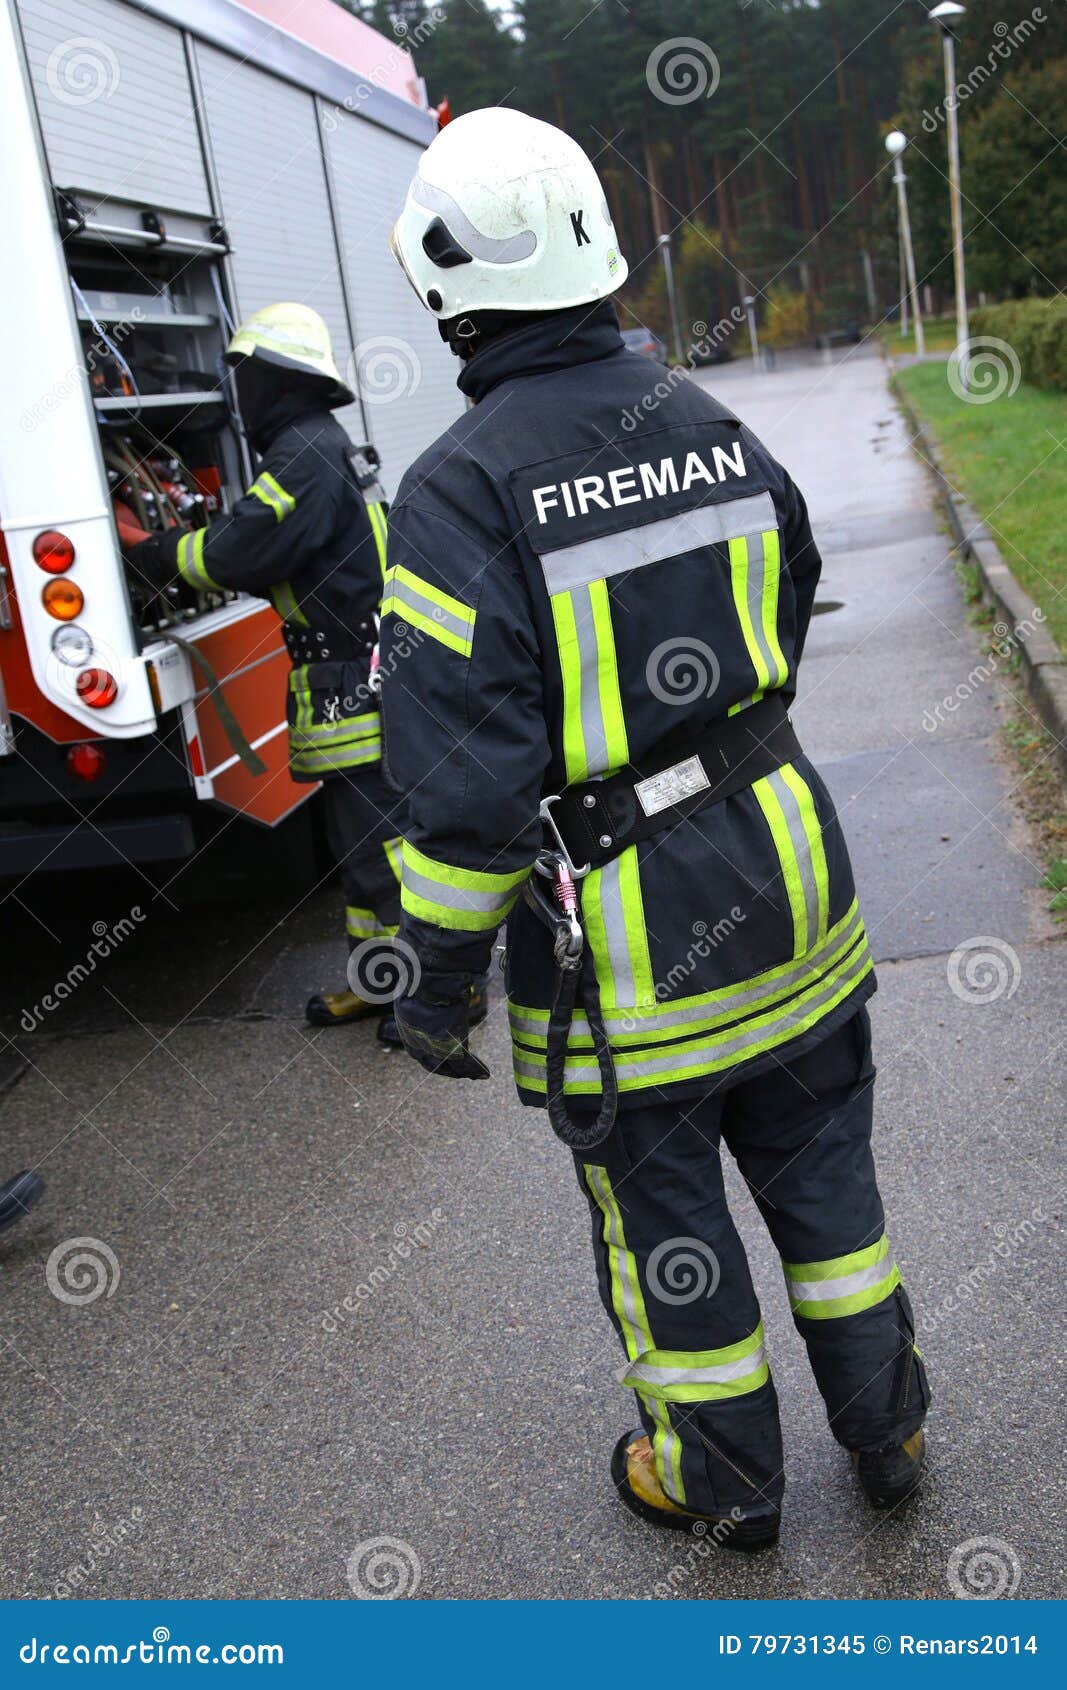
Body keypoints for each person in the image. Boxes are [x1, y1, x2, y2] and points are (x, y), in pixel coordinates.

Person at [378, 109, 929, 1549]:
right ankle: (889, 1429)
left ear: (446, 279)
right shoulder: (697, 415)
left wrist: (433, 984)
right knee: (830, 1183)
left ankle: (719, 1476)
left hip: (626, 948)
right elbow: (788, 587)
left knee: (664, 1218)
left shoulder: (453, 490)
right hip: (791, 876)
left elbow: (461, 783)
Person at [120, 303, 406, 1036]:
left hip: (351, 678)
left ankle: (438, 989)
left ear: (277, 380)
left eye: (244, 376)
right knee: (359, 841)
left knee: (379, 848)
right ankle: (380, 979)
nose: (237, 395)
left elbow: (238, 552)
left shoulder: (303, 456)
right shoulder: (315, 444)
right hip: (345, 672)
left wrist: (146, 549)